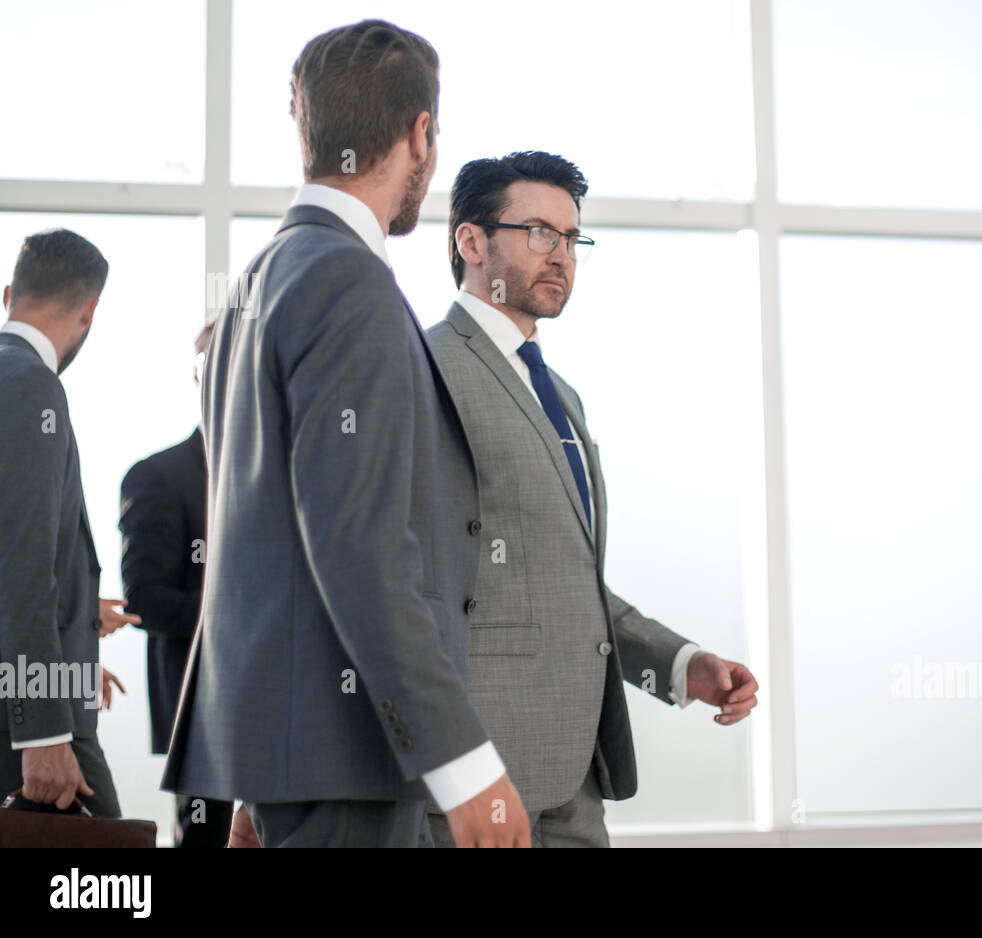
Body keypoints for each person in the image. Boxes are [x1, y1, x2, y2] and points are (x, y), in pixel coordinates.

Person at [161, 20, 528, 848]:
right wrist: (466, 765)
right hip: (348, 760)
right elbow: (360, 543)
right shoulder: (347, 280)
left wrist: (258, 787)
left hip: (293, 755)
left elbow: (258, 532)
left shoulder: (258, 282)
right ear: (420, 135)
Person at [423, 151, 759, 846]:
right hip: (474, 777)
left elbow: (564, 581)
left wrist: (678, 663)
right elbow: (396, 578)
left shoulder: (561, 396)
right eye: (541, 233)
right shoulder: (423, 369)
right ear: (471, 241)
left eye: (573, 239)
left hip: (577, 774)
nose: (562, 256)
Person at [0, 228, 129, 818]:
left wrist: (79, 625)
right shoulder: (34, 387)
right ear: (90, 310)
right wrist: (43, 733)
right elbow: (23, 565)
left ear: (8, 296)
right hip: (34, 726)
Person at [119, 319, 234, 846]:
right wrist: (245, 615)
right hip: (202, 717)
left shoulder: (294, 471)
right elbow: (146, 600)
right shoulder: (160, 476)